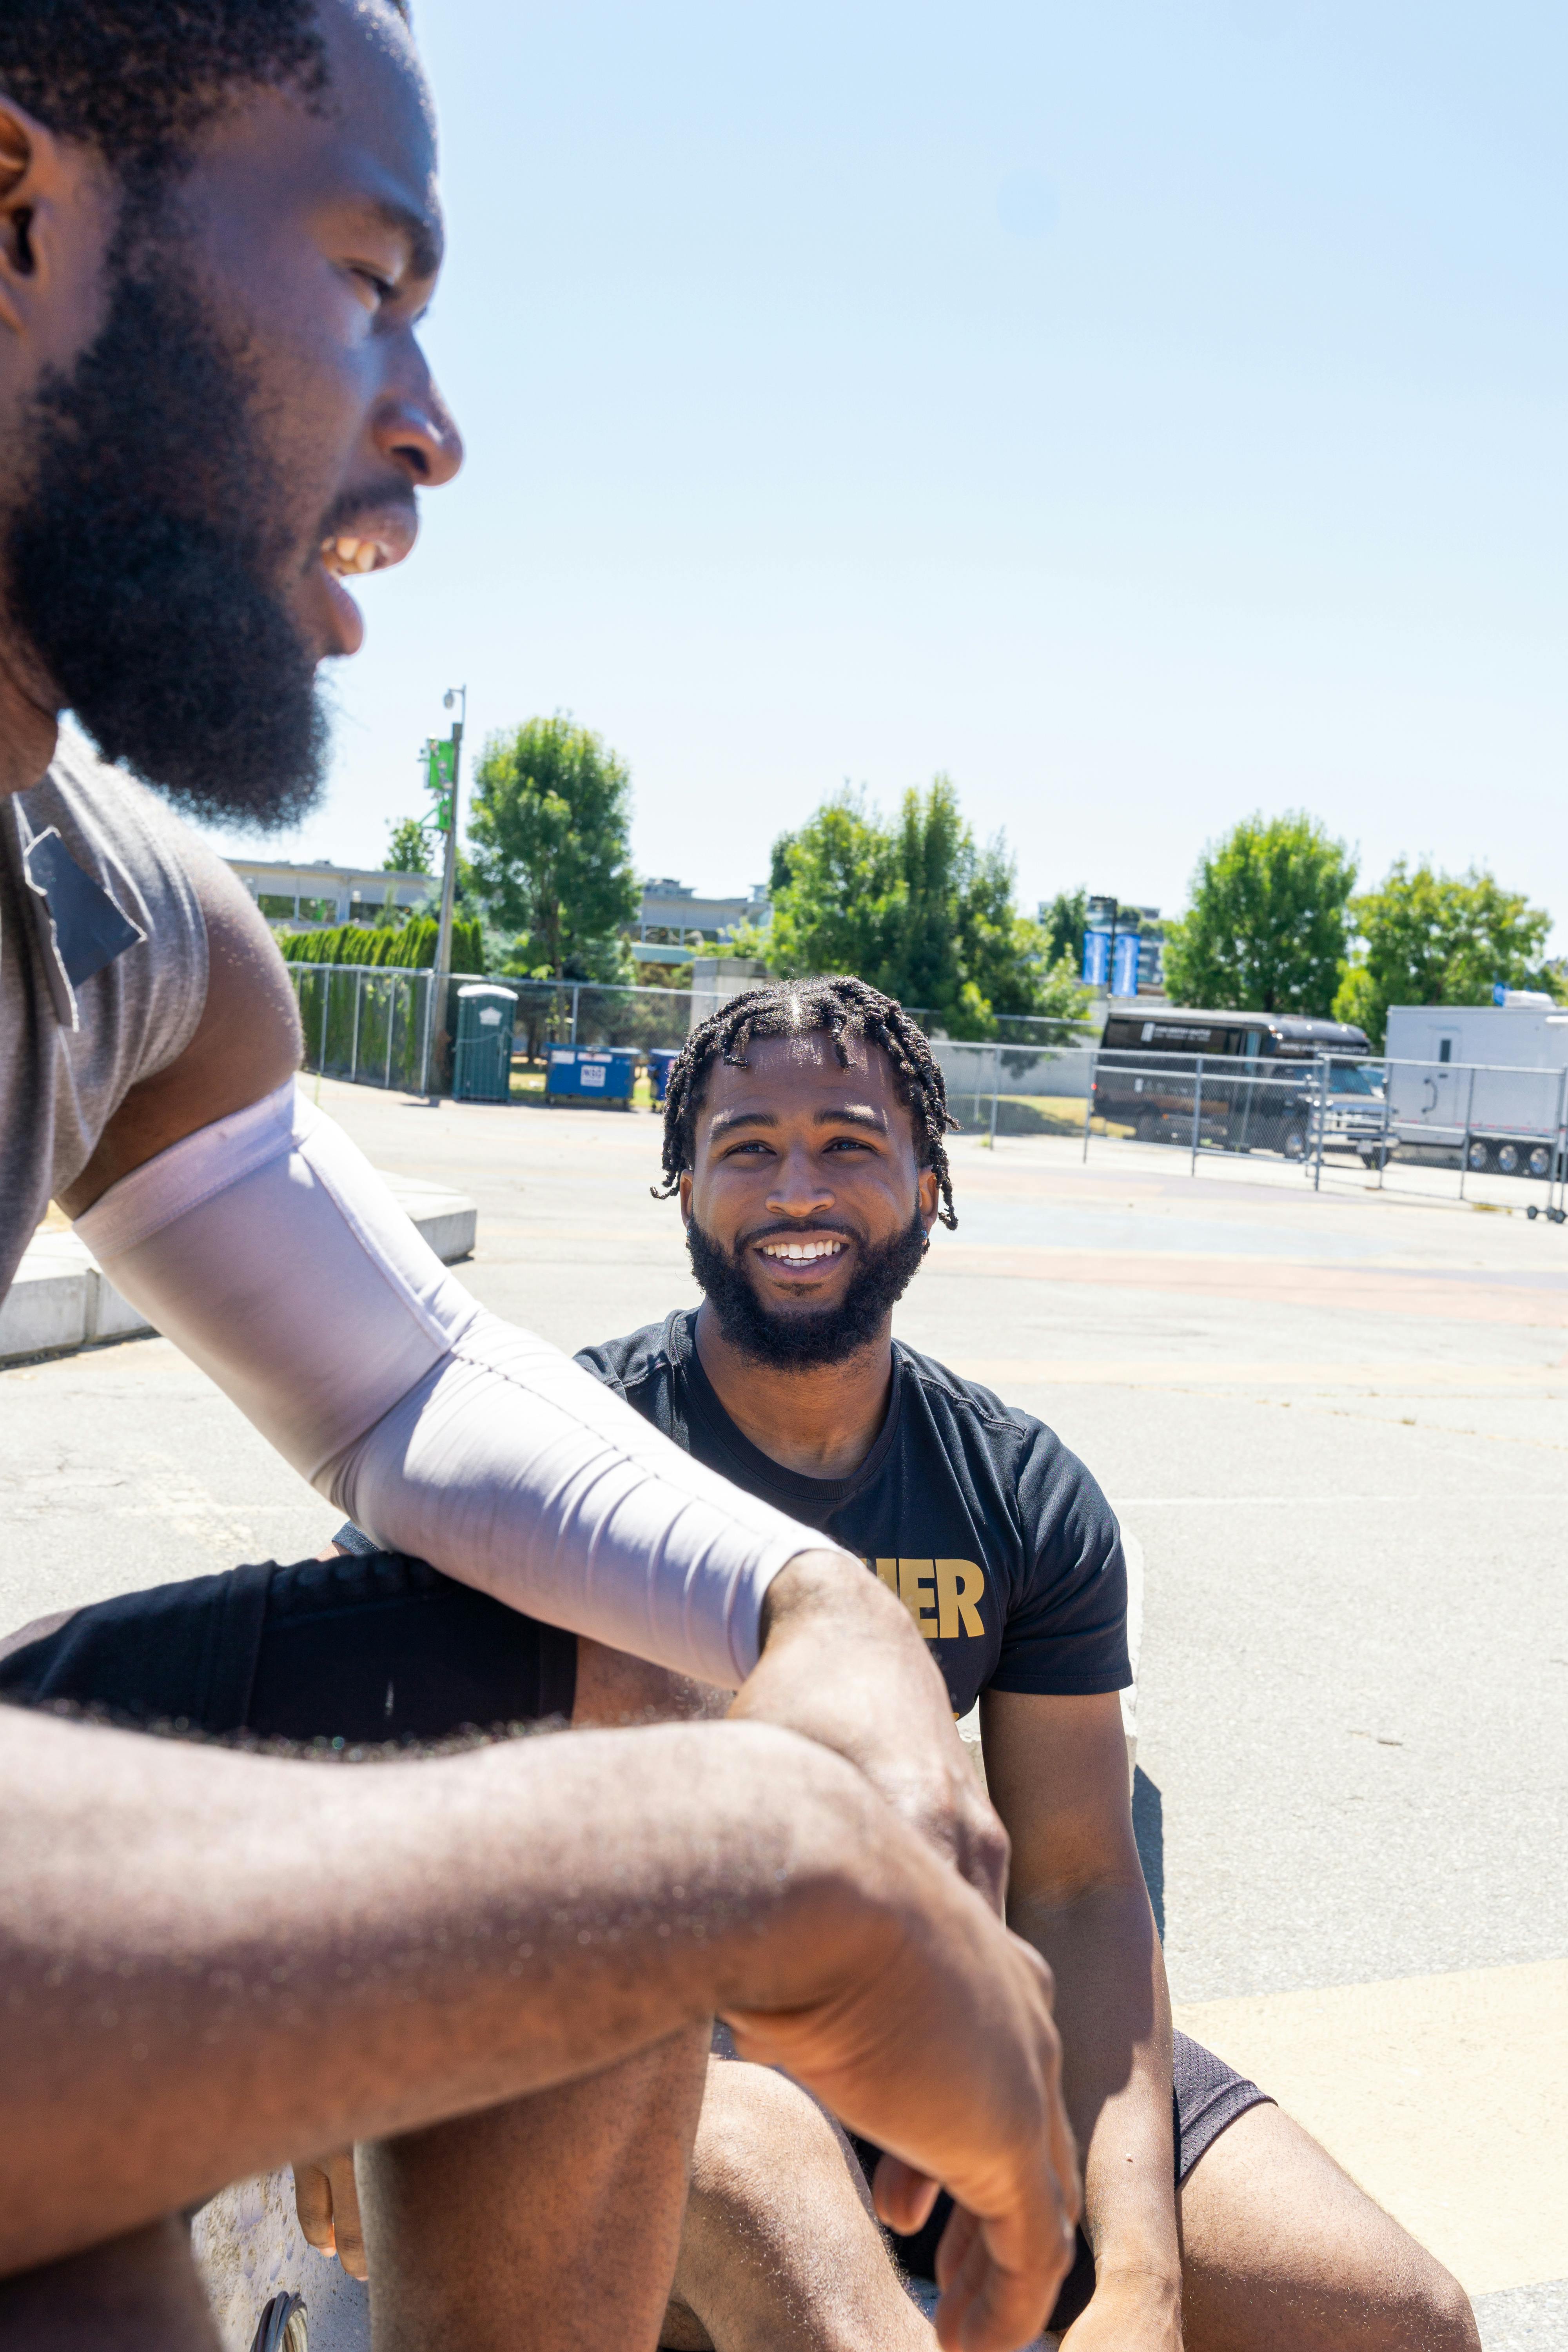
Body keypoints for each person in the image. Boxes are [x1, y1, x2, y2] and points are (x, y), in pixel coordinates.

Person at [0, 5, 1077, 2339]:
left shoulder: (131, 929)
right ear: (22, 219)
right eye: (373, 278)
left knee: (619, 1672)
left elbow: (407, 1404)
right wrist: (755, 1873)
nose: (433, 428)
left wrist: (827, 1621)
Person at [547, 975, 1474, 2352]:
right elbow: (341, 1723)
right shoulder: (567, 1445)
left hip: (947, 2039)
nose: (798, 1188)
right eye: (748, 1147)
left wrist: (1146, 2288)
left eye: (851, 1144)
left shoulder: (1019, 1492)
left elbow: (1086, 1883)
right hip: (666, 2056)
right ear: (684, 1183)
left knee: (1404, 2323)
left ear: (930, 1183)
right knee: (824, 2293)